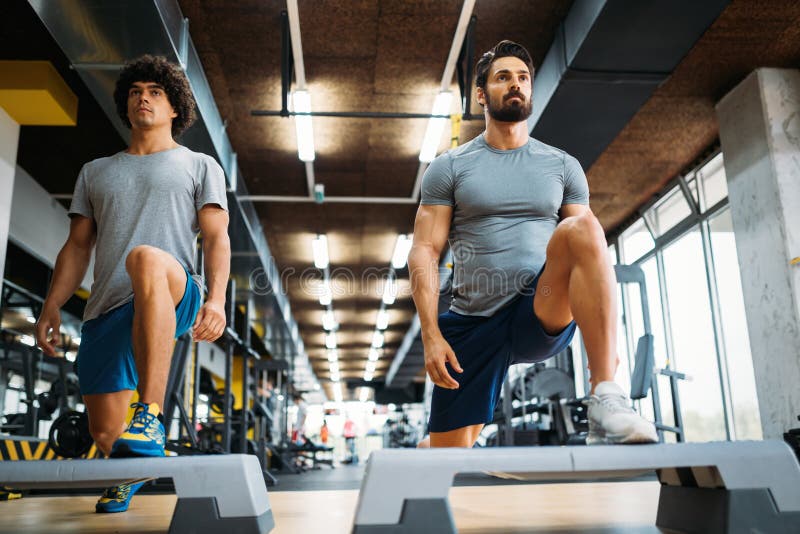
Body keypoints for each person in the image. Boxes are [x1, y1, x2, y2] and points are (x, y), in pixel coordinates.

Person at [408, 40, 657, 448]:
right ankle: (431, 445)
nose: (515, 84)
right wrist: (431, 334)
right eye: (503, 77)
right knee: (445, 458)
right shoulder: (449, 167)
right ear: (481, 94)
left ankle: (605, 397)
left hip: (538, 306)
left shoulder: (562, 165)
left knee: (584, 227)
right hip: (474, 321)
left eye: (523, 78)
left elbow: (589, 250)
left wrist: (605, 348)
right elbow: (425, 251)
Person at [35, 55, 230, 512]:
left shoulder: (199, 165)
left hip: (174, 288)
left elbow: (217, 238)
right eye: (136, 92)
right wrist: (51, 305)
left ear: (175, 108)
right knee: (106, 432)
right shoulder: (95, 171)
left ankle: (151, 414)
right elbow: (77, 246)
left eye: (155, 92)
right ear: (126, 105)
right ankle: (129, 472)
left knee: (144, 257)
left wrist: (217, 300)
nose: (144, 98)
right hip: (108, 306)